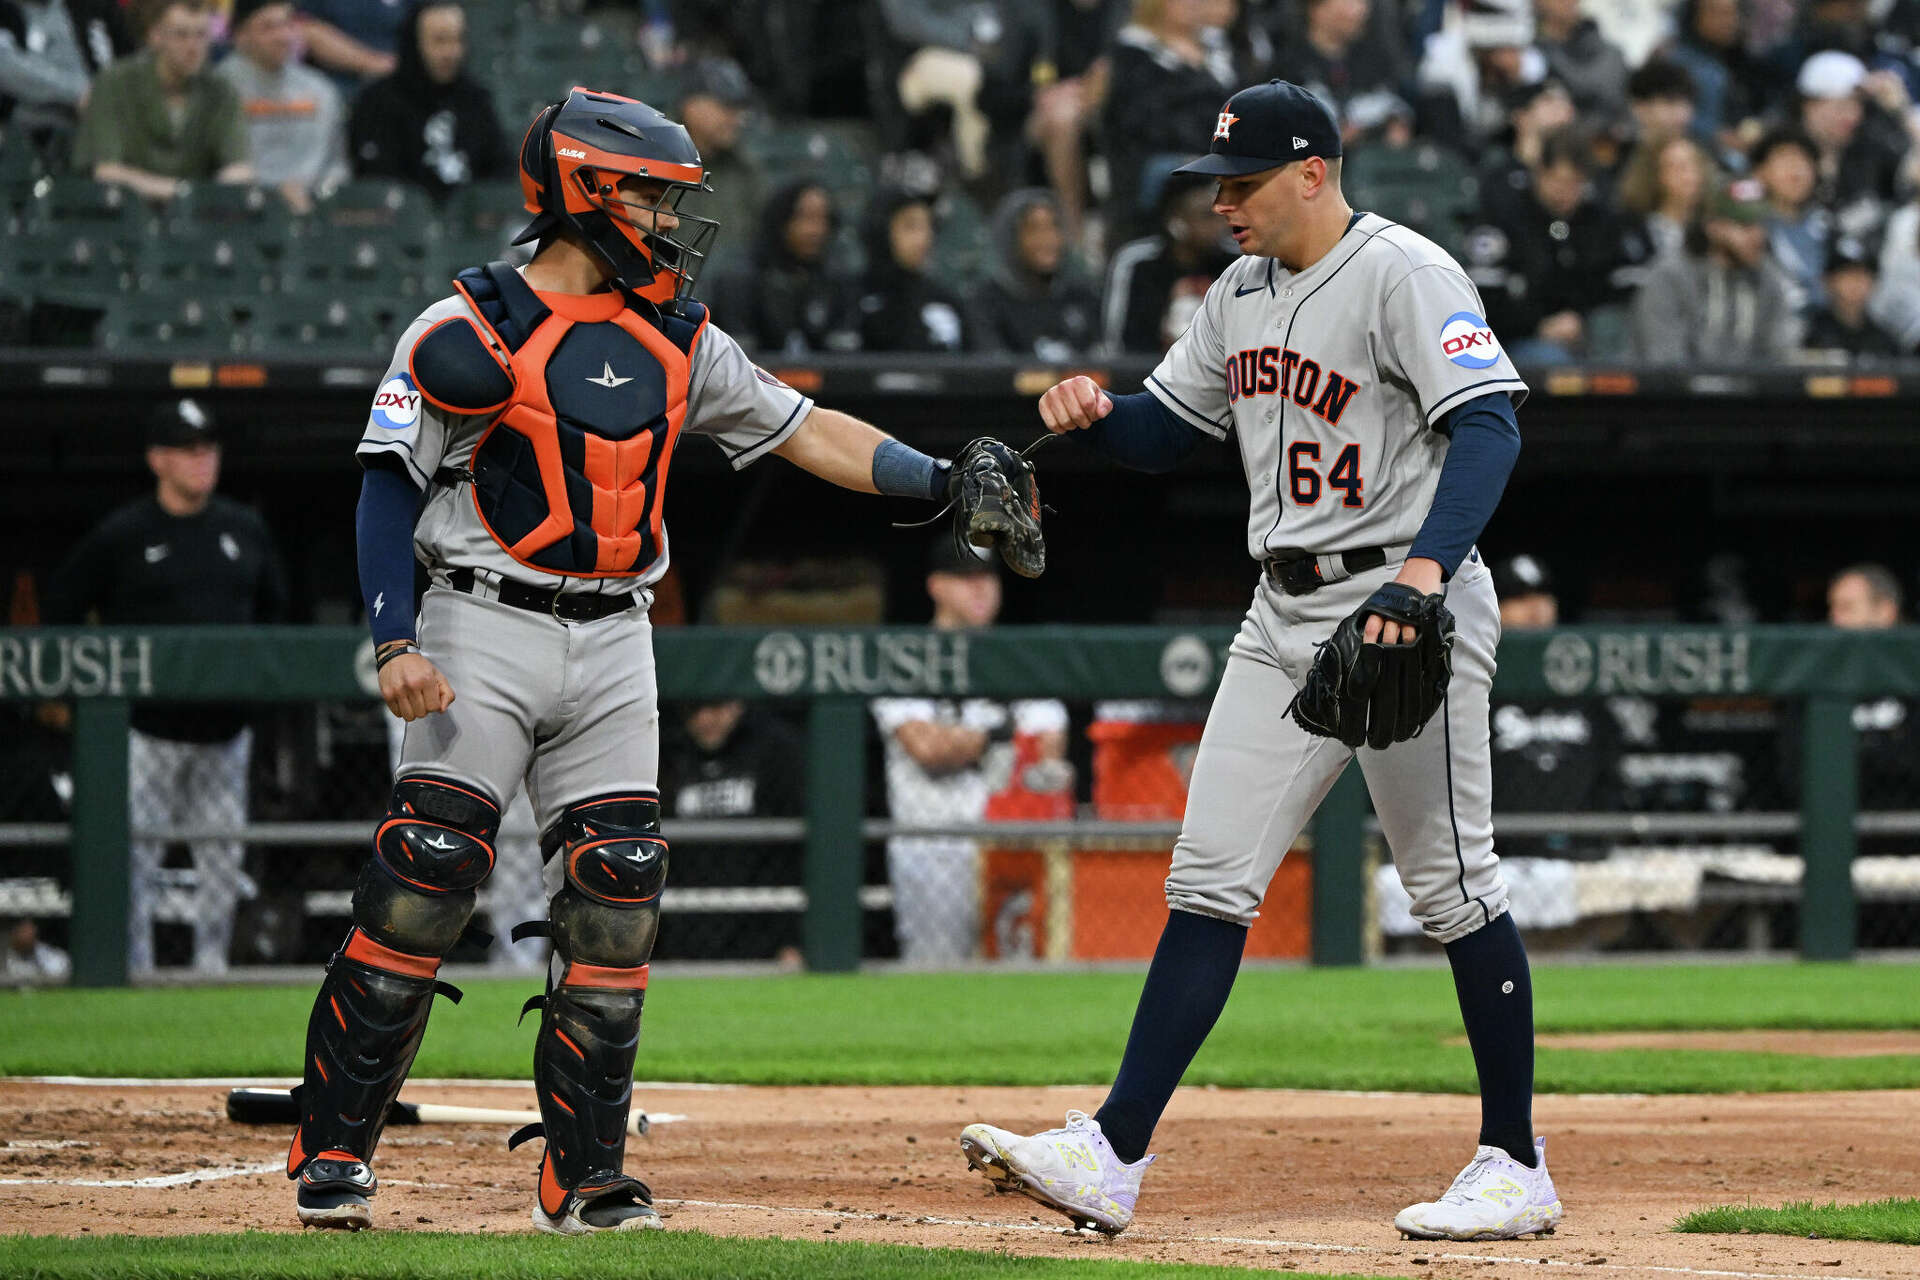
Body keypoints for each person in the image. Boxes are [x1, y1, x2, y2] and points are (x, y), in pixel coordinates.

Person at [287, 86, 983, 1236]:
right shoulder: (465, 327)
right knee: (425, 875)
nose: (671, 221)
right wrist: (393, 637)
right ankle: (333, 1152)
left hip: (618, 629)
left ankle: (585, 1176)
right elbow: (385, 486)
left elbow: (807, 427)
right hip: (480, 619)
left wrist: (942, 477)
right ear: (585, 191)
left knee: (617, 894)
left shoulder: (679, 335)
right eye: (654, 197)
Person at [959, 79, 1555, 1243]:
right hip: (1281, 607)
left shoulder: (1405, 272)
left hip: (1402, 602)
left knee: (1451, 885)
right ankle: (1112, 1152)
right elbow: (1166, 430)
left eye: (1243, 181)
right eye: (1216, 183)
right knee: (1209, 876)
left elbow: (1489, 424)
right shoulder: (1236, 292)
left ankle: (1515, 1160)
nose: (1222, 201)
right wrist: (1095, 412)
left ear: (1314, 172)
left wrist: (1422, 577)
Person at [43, 398, 288, 978]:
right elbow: (62, 608)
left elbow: (277, 616)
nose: (202, 460)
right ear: (157, 459)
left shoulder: (243, 528)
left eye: (208, 449)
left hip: (225, 734)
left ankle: (211, 968)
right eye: (187, 450)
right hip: (146, 731)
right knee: (134, 857)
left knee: (222, 858)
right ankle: (135, 970)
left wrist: (253, 700)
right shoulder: (124, 534)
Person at [872, 539, 1069, 964]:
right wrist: (1002, 732)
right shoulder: (906, 658)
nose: (980, 588)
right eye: (965, 578)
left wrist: (971, 740)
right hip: (934, 847)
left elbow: (1049, 749)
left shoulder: (1019, 661)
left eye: (987, 577)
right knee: (937, 975)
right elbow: (926, 747)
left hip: (1010, 845)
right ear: (936, 586)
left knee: (1023, 975)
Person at [1467, 125, 1651, 364]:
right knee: (1551, 359)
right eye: (1559, 181)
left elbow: (1620, 283)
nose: (1566, 193)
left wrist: (1583, 320)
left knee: (1618, 347)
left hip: (1587, 335)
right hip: (1520, 338)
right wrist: (1538, 325)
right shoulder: (1506, 215)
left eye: (1576, 184)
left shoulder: (1596, 219)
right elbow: (1484, 297)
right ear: (1539, 172)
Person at [655, 699, 807, 962]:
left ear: (736, 704)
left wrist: (791, 938)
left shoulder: (773, 750)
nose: (705, 719)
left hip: (761, 925)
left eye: (715, 707)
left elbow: (793, 853)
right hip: (684, 926)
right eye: (694, 710)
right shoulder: (670, 756)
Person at [71, 0, 253, 203]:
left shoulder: (221, 91)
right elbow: (107, 172)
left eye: (201, 35)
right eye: (181, 35)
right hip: (125, 211)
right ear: (155, 36)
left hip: (199, 214)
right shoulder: (114, 85)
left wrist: (212, 194)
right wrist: (186, 192)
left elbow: (240, 168)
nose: (193, 47)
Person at [1102, 0, 1241, 236]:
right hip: (1156, 156)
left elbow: (1238, 105)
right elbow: (1139, 119)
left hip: (1216, 150)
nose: (1192, 4)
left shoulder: (1219, 49)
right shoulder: (1133, 51)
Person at [346, 0, 508, 201]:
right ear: (414, 43)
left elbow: (500, 171)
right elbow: (377, 180)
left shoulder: (476, 99)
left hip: (470, 215)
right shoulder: (377, 102)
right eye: (440, 41)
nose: (451, 52)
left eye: (458, 40)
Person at [1631, 178, 1801, 365]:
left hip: (1750, 384)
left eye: (1761, 224)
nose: (1757, 235)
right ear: (1713, 227)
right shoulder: (1671, 277)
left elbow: (1778, 357)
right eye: (1745, 225)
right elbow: (1665, 363)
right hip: (1680, 383)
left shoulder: (1767, 278)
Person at [215, 0, 346, 214]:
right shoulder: (219, 89)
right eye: (268, 28)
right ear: (240, 36)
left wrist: (321, 195)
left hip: (315, 208)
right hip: (239, 210)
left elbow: (337, 165)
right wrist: (273, 194)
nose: (283, 36)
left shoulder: (320, 90)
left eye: (288, 25)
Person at [705, 179, 859, 355]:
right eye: (804, 217)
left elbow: (845, 356)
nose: (816, 230)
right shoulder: (740, 278)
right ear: (781, 219)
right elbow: (735, 357)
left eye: (823, 219)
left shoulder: (837, 278)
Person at [1100, 172, 1236, 352]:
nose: (1220, 226)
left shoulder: (1237, 262)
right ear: (1176, 223)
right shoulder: (1138, 263)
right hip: (1150, 367)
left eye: (1221, 215)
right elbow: (1117, 343)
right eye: (1206, 217)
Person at [966, 188, 1101, 358]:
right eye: (1033, 229)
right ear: (1010, 238)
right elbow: (995, 366)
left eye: (1054, 227)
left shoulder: (1081, 297)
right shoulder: (986, 303)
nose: (1047, 239)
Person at [0, 0, 130, 150]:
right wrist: (80, 93)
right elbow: (6, 66)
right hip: (26, 136)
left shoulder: (90, 8)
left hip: (100, 129)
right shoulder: (7, 12)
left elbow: (130, 58)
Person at [853, 186, 970, 353]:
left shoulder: (944, 300)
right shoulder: (851, 298)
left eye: (928, 226)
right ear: (880, 230)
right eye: (911, 226)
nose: (924, 238)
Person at [674, 57, 762, 269]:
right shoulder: (653, 161)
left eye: (739, 109)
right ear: (691, 107)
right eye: (726, 107)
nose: (736, 119)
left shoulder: (744, 169)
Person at [1802, 233, 1903, 359]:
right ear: (1828, 281)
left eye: (1862, 275)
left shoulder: (1886, 342)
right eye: (1847, 275)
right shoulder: (1810, 334)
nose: (1855, 284)